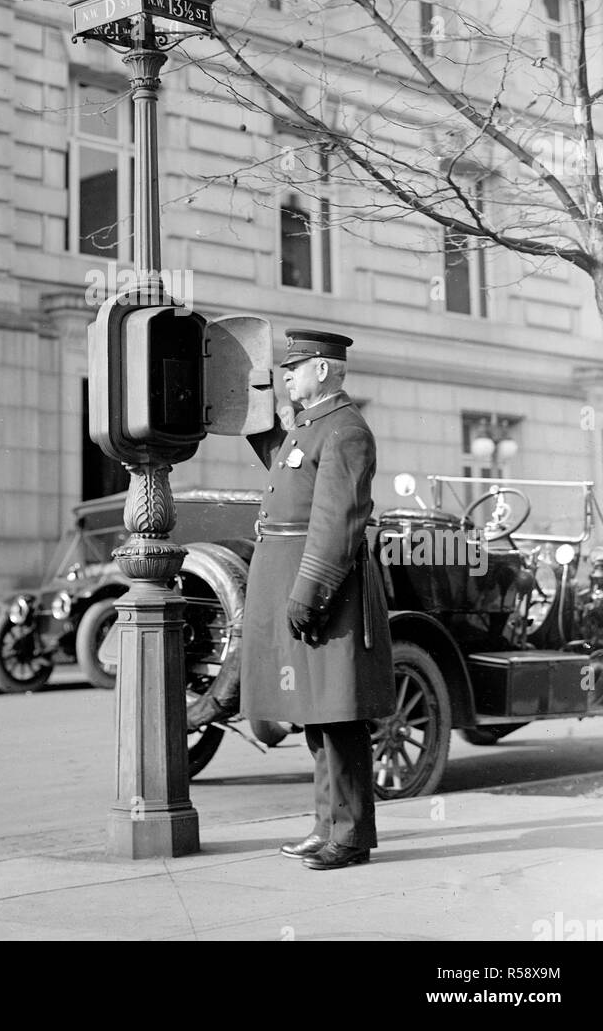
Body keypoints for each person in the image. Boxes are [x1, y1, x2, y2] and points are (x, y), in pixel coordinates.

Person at [241, 328, 395, 871]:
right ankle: (327, 824)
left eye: (295, 367)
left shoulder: (346, 430)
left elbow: (336, 524)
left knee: (339, 714)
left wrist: (309, 594)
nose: (287, 375)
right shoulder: (309, 427)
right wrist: (251, 401)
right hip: (296, 582)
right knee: (315, 713)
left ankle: (351, 837)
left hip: (327, 591)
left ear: (324, 370)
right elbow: (287, 475)